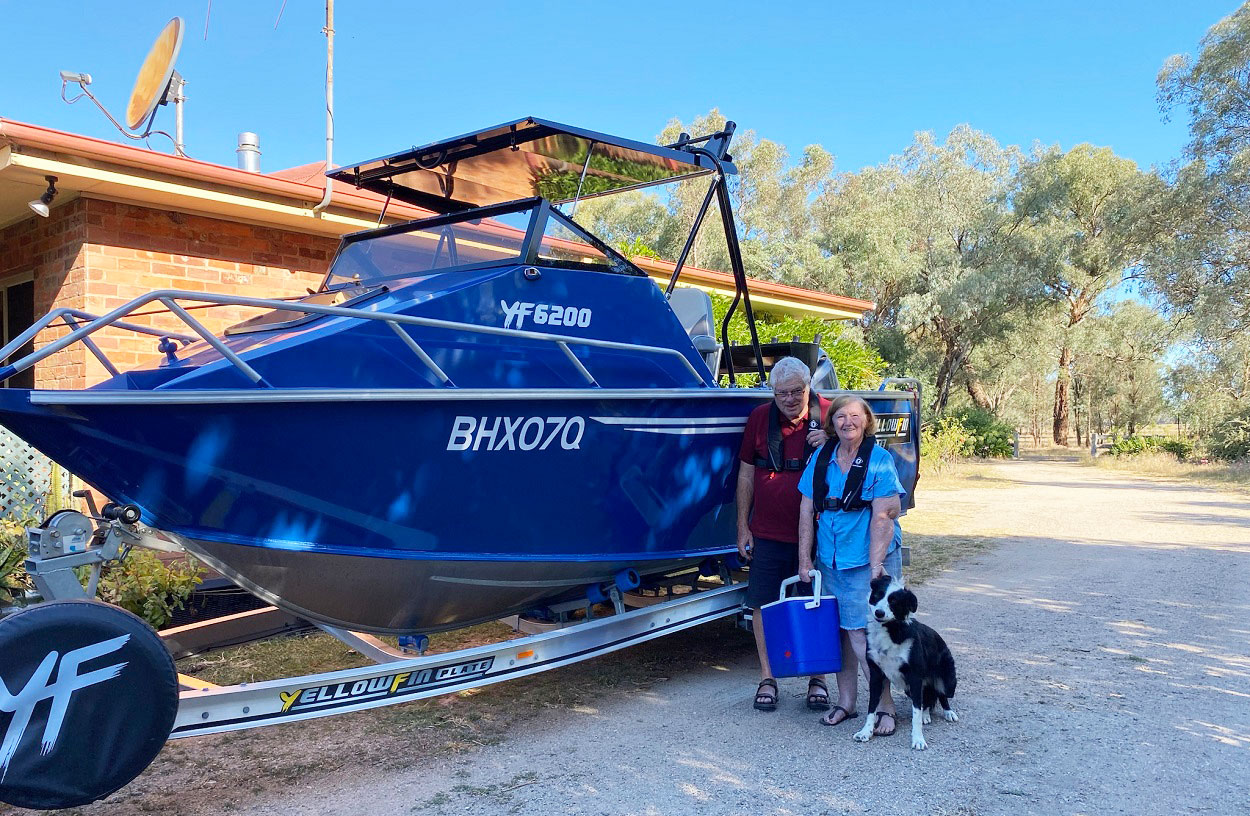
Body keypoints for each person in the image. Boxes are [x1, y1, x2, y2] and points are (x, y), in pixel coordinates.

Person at [796, 395, 905, 734]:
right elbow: (805, 510)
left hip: (868, 560)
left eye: (855, 416)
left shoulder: (879, 460)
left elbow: (885, 514)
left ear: (867, 421)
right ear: (832, 423)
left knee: (867, 637)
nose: (847, 422)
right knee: (840, 634)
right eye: (840, 416)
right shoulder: (821, 457)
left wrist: (876, 566)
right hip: (831, 560)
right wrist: (804, 559)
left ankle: (885, 707)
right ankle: (847, 702)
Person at [736, 357, 831, 712]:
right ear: (772, 392)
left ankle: (818, 677)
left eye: (797, 391)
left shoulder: (828, 413)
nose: (790, 399)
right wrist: (742, 525)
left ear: (808, 387)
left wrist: (831, 438)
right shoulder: (760, 418)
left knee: (816, 603)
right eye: (782, 393)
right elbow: (746, 474)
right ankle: (767, 676)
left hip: (819, 532)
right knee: (761, 603)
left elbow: (860, 445)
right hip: (768, 530)